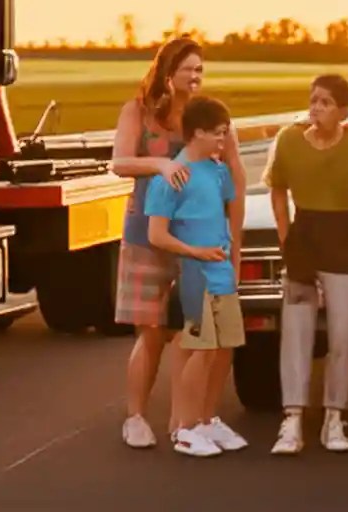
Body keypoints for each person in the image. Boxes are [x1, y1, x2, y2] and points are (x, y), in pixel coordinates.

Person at [110, 35, 246, 449]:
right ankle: (135, 417)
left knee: (210, 333)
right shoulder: (138, 113)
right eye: (188, 69)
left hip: (202, 242)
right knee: (151, 331)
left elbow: (235, 185)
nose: (195, 77)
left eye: (200, 70)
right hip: (148, 237)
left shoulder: (210, 119)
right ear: (167, 74)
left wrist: (234, 249)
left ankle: (196, 420)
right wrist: (161, 164)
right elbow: (119, 162)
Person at [263, 74, 348, 455]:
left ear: (343, 111)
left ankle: (335, 417)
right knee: (296, 332)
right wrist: (286, 237)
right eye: (314, 100)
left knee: (343, 335)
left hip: (346, 245)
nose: (316, 107)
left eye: (326, 102)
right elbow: (278, 190)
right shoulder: (288, 139)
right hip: (305, 241)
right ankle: (293, 419)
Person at [145, 95, 247, 457]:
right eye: (219, 133)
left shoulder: (216, 170)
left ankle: (206, 421)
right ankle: (185, 430)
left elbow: (233, 203)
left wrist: (231, 258)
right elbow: (157, 234)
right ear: (198, 132)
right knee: (199, 352)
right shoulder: (173, 177)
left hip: (221, 273)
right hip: (195, 276)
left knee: (223, 350)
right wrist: (195, 253)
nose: (224, 140)